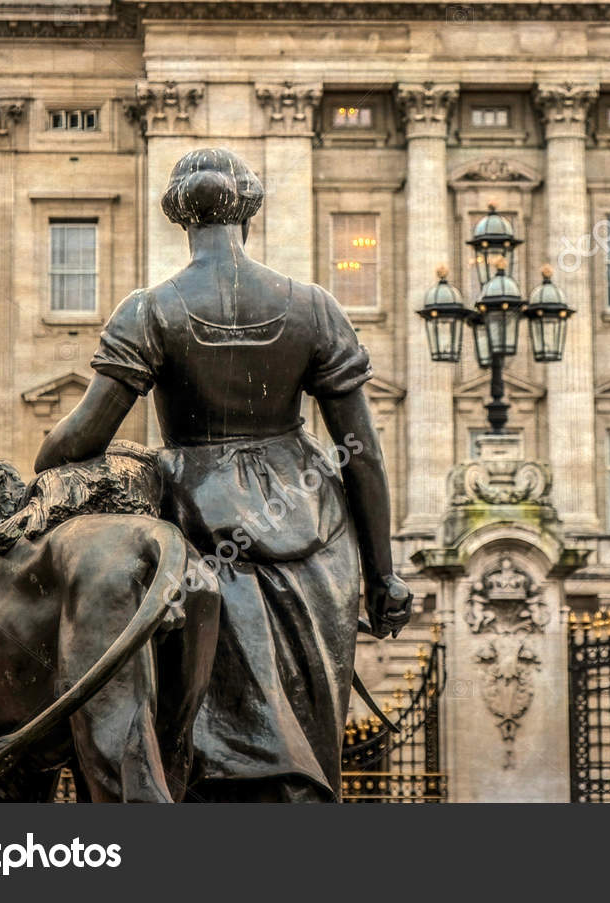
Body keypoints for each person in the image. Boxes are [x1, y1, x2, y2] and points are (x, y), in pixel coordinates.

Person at [35, 147, 411, 802]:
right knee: (307, 739)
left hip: (197, 523)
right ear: (250, 215)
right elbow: (364, 452)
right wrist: (382, 577)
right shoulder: (314, 308)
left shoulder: (152, 309)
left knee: (202, 739)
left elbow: (85, 434)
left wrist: (45, 456)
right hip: (312, 538)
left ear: (182, 216)